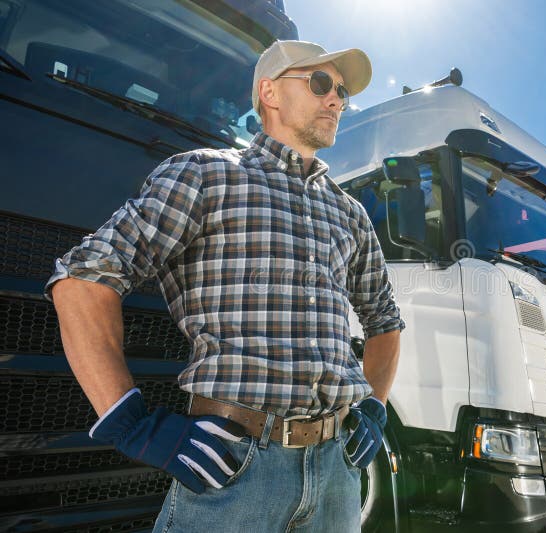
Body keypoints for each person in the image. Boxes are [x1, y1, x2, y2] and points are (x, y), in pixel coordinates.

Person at [46, 40, 404, 532]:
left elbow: (385, 320)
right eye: (321, 83)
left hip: (337, 476)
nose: (336, 99)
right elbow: (82, 279)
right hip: (233, 471)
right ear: (270, 93)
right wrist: (130, 424)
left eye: (341, 91)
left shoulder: (350, 214)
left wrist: (374, 407)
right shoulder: (206, 174)